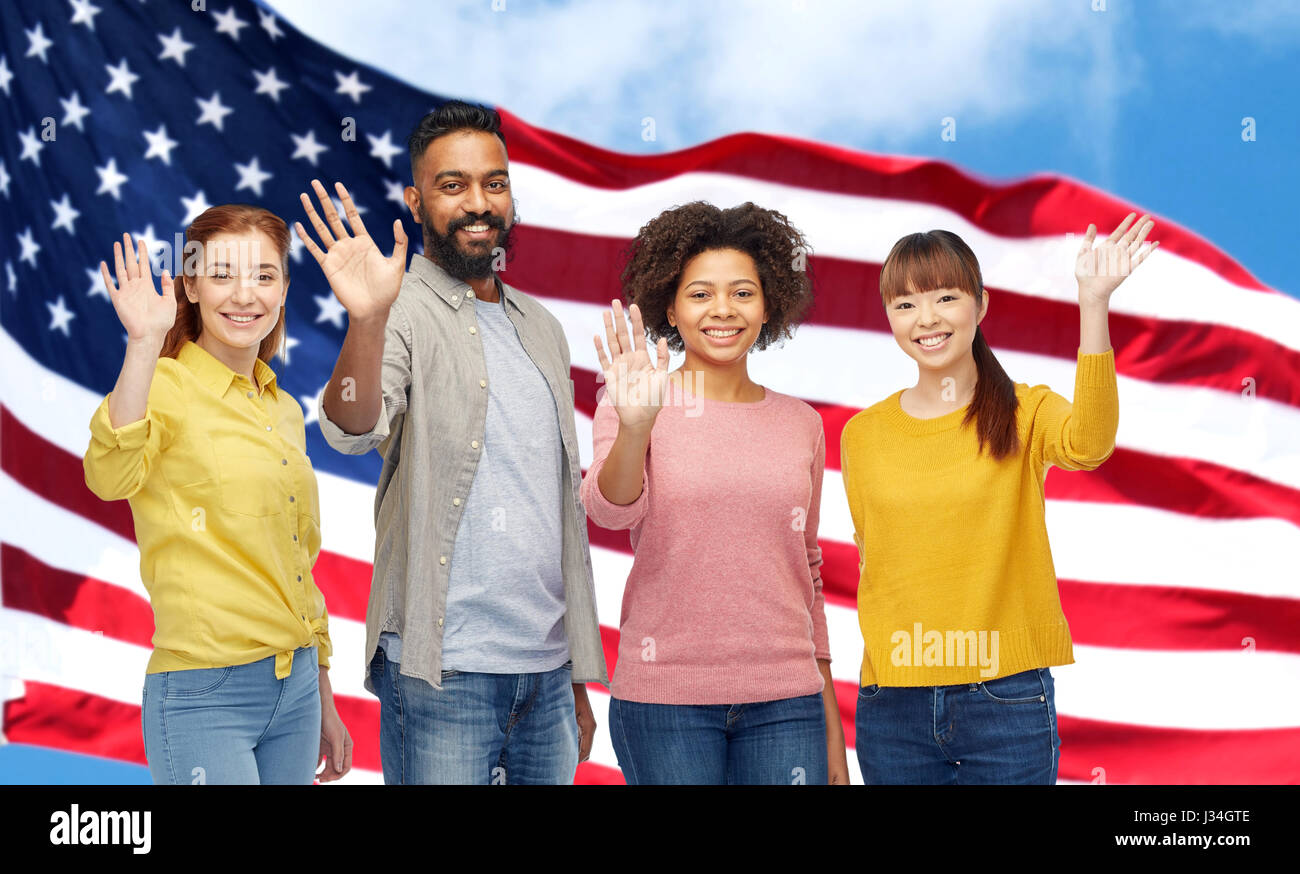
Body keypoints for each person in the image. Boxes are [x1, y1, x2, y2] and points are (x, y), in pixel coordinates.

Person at [306, 100, 608, 784]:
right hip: (441, 674)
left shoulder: (543, 329)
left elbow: (557, 509)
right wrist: (367, 319)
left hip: (547, 679)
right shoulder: (400, 309)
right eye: (453, 185)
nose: (478, 202)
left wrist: (577, 676)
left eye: (493, 183)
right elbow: (351, 428)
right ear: (416, 200)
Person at [840, 214, 1158, 784]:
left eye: (945, 297)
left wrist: (1093, 305)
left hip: (1005, 698)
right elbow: (878, 559)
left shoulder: (1024, 410)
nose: (927, 319)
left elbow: (1090, 444)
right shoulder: (862, 436)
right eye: (905, 304)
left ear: (980, 306)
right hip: (893, 704)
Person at [581, 200, 848, 784]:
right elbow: (605, 510)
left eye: (742, 292)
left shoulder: (801, 423)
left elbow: (808, 569)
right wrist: (635, 426)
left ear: (768, 305)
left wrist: (828, 715)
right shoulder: (634, 401)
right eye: (700, 294)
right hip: (665, 701)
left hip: (786, 702)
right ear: (670, 310)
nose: (722, 310)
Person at [83, 206, 352, 785]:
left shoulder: (283, 409)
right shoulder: (165, 385)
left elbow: (298, 563)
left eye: (264, 275)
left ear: (283, 289)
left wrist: (323, 694)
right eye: (223, 273)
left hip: (297, 688)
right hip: (204, 693)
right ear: (191, 285)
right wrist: (143, 345)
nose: (244, 294)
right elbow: (109, 475)